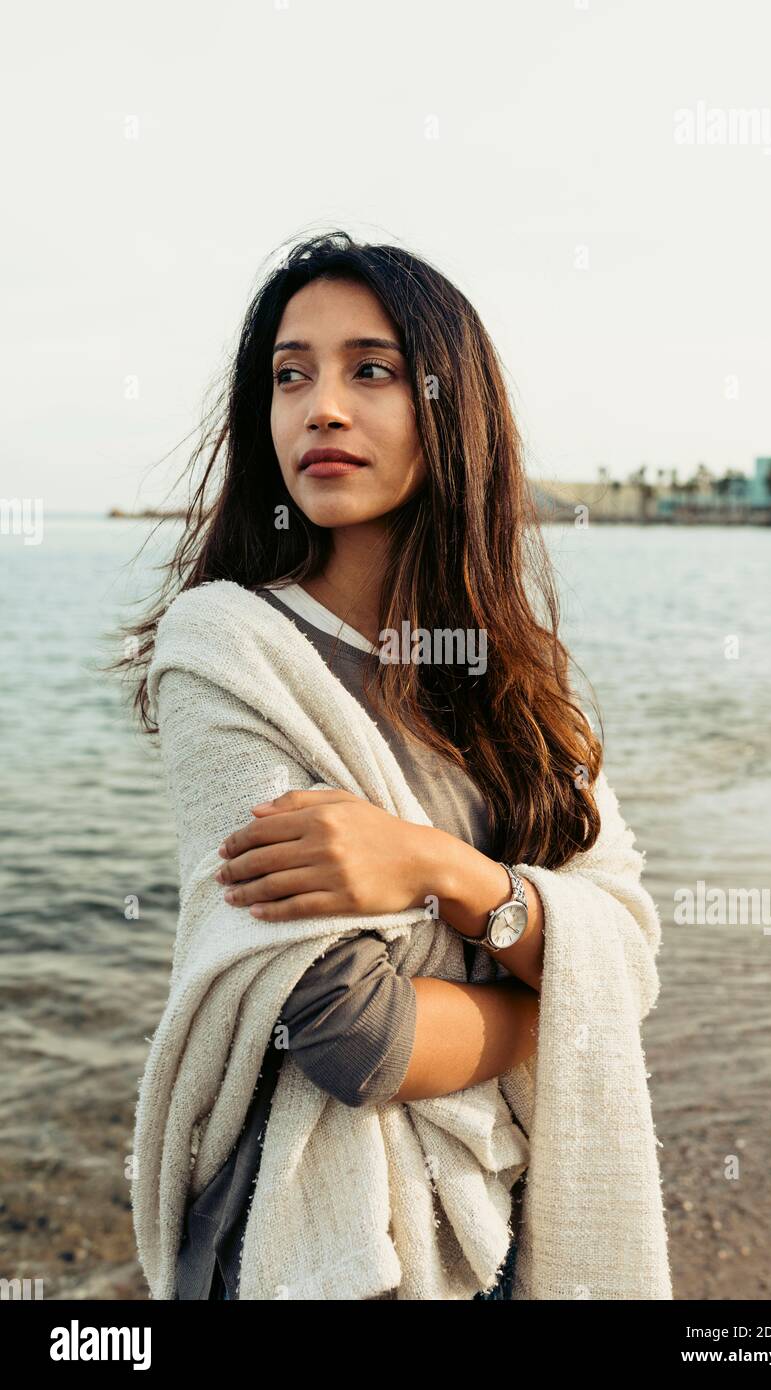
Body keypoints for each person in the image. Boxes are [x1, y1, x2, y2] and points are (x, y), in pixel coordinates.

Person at [114, 230, 615, 1301]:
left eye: (370, 370)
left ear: (453, 409)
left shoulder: (521, 680)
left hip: (497, 1220)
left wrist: (440, 867)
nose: (320, 406)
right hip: (310, 1248)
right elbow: (346, 1027)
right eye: (289, 375)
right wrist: (567, 1006)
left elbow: (630, 937)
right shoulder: (228, 648)